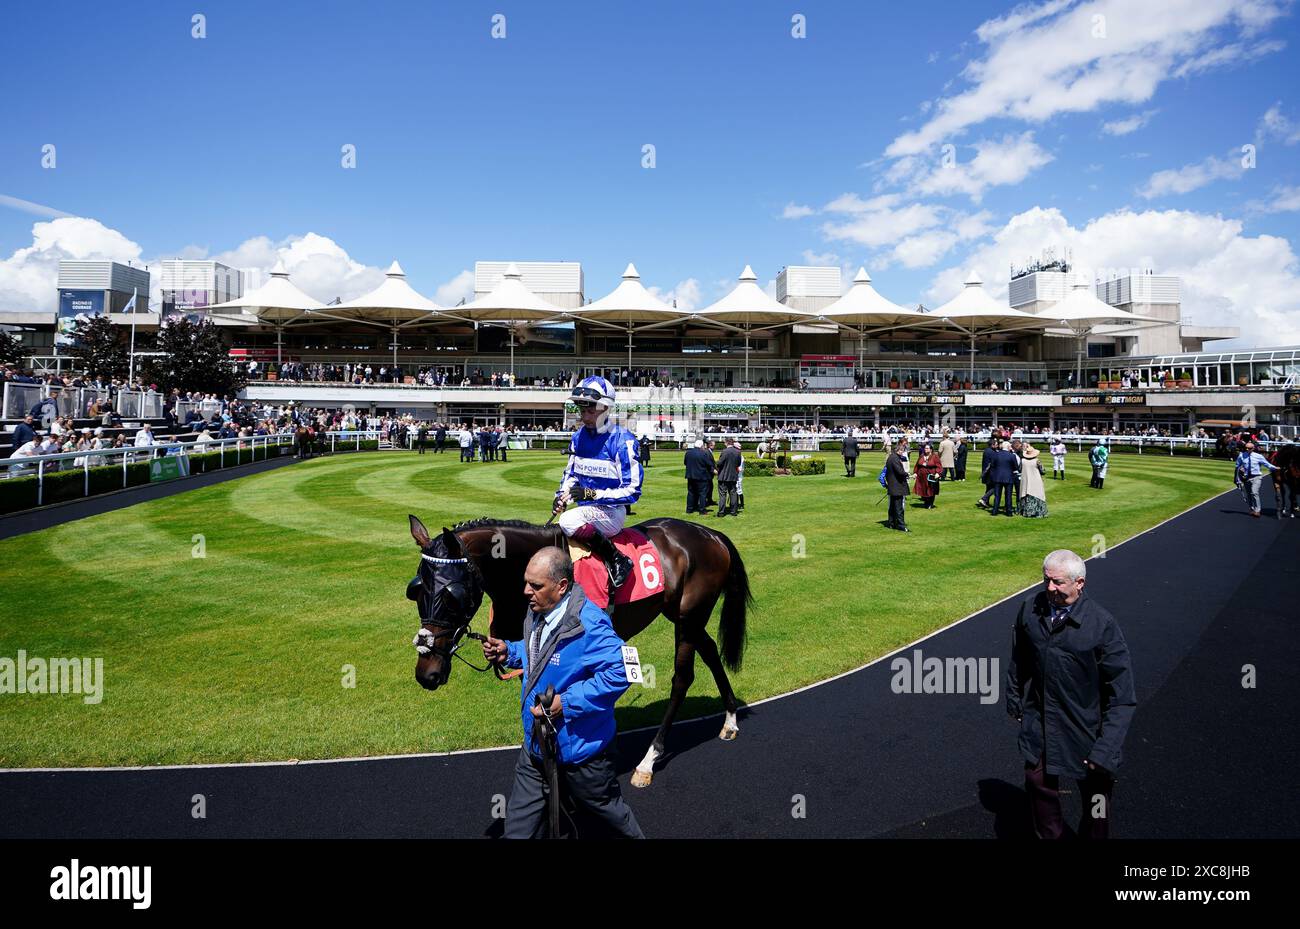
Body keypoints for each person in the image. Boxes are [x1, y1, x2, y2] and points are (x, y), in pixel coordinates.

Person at [480, 548, 643, 838]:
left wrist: (566, 702)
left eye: (536, 586)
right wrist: (510, 651)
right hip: (536, 749)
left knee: (611, 822)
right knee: (518, 831)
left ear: (562, 587)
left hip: (584, 757)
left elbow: (624, 672)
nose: (526, 591)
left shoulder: (591, 624)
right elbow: (540, 652)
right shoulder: (537, 610)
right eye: (526, 582)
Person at [1006, 550, 1136, 839]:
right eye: (1046, 580)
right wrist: (1013, 695)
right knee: (1036, 779)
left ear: (1080, 583)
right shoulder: (1030, 609)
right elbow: (1021, 657)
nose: (1049, 588)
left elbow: (1123, 696)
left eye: (1058, 582)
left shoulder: (1102, 625)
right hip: (1042, 719)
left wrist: (1106, 748)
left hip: (1087, 725)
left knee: (1097, 798)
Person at [552, 376, 641, 590]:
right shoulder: (578, 438)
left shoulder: (623, 440)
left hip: (611, 512)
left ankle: (618, 559)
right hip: (588, 510)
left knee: (568, 521)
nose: (585, 416)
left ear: (605, 408)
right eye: (582, 410)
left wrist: (591, 494)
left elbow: (633, 491)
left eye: (591, 411)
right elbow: (571, 473)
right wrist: (561, 496)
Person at [1234, 440, 1276, 518]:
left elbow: (1267, 464)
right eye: (1246, 448)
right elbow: (1237, 466)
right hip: (1246, 478)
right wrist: (1236, 478)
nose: (1247, 449)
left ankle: (1257, 510)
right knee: (1249, 494)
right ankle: (1252, 508)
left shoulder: (1259, 456)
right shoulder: (1242, 456)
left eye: (1249, 448)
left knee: (1254, 492)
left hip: (1256, 477)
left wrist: (1276, 468)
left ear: (1253, 448)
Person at [884, 440, 911, 532]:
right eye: (902, 451)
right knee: (899, 507)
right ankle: (901, 525)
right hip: (897, 486)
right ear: (899, 450)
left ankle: (892, 523)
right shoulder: (895, 458)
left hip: (893, 485)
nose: (902, 453)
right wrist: (907, 474)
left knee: (892, 506)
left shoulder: (891, 457)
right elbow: (900, 472)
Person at [683, 439, 714, 515]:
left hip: (691, 476)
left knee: (691, 493)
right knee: (702, 494)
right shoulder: (703, 453)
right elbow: (709, 464)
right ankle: (702, 510)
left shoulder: (688, 453)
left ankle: (689, 509)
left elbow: (685, 463)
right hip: (701, 476)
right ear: (701, 446)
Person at [989, 441, 1018, 517]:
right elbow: (1016, 467)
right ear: (1008, 447)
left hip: (997, 477)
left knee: (997, 495)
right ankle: (1009, 512)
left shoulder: (996, 455)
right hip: (1008, 477)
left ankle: (995, 511)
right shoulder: (1012, 456)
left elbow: (992, 466)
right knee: (1008, 495)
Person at [1018, 443, 1048, 518]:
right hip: (1035, 479)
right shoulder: (1037, 461)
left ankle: (1026, 511)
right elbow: (1043, 471)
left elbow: (1019, 469)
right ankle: (1038, 512)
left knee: (1026, 493)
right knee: (1037, 494)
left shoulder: (1023, 461)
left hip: (1025, 479)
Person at [715, 437, 742, 517]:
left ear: (727, 443)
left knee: (722, 494)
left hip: (723, 476)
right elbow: (738, 464)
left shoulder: (725, 451)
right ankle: (733, 511)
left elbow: (719, 463)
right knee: (733, 494)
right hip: (733, 476)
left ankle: (721, 512)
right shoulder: (737, 452)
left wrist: (717, 464)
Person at [913, 442, 941, 509]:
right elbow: (917, 465)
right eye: (925, 448)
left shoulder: (935, 457)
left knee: (931, 490)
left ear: (931, 449)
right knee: (923, 489)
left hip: (930, 476)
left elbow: (939, 466)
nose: (925, 449)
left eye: (927, 448)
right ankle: (926, 502)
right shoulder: (922, 456)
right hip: (921, 476)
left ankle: (930, 503)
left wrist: (937, 473)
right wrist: (915, 473)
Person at [977, 439, 999, 509]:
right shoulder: (992, 452)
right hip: (991, 472)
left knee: (988, 487)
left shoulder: (987, 451)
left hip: (987, 472)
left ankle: (986, 502)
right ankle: (984, 499)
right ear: (992, 445)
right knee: (995, 487)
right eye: (996, 444)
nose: (997, 445)